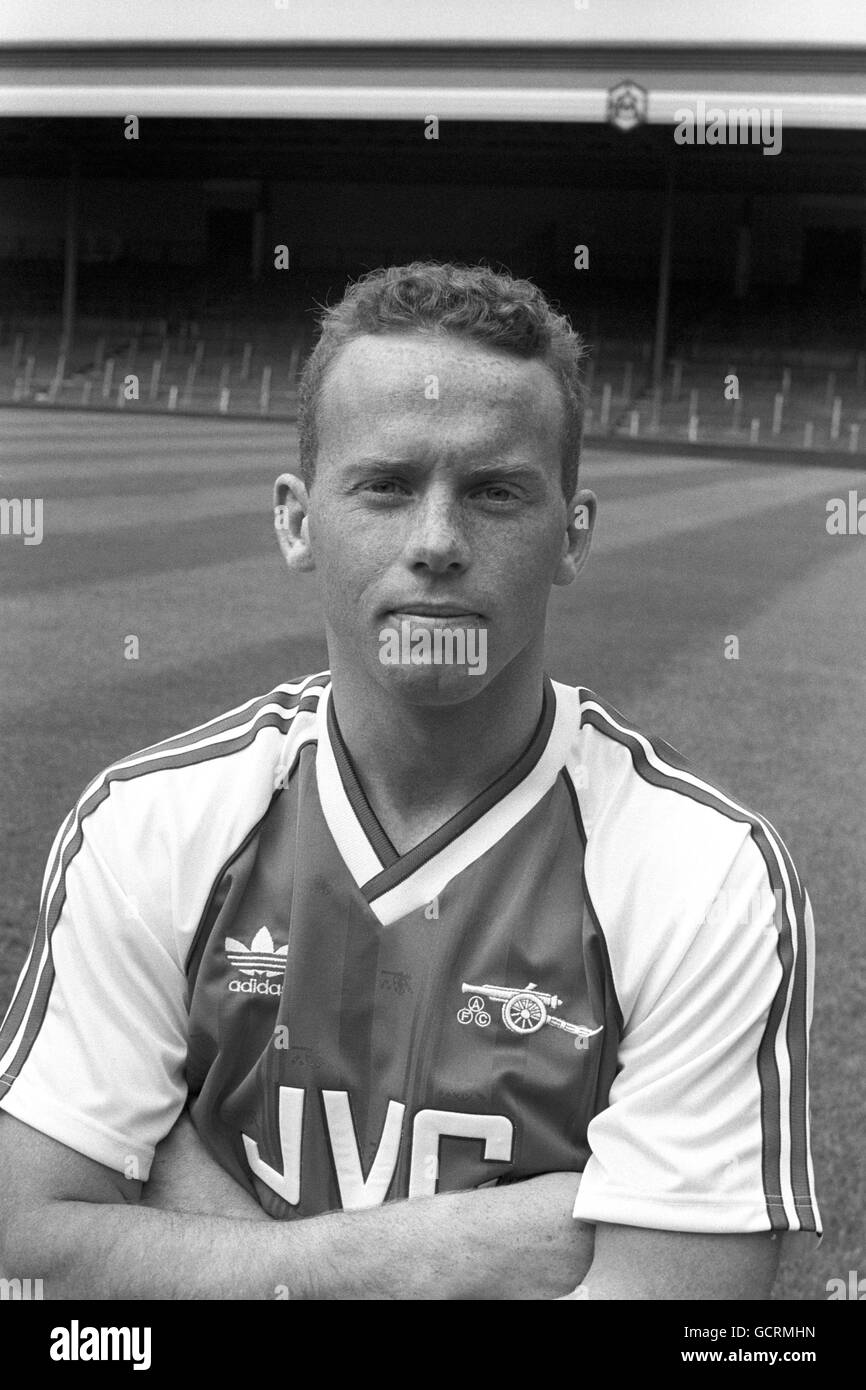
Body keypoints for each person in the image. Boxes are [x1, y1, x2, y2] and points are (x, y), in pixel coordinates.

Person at [0, 263, 820, 1300]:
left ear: (571, 532)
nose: (435, 543)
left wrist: (175, 1195)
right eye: (385, 485)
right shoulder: (151, 824)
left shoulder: (704, 876)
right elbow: (30, 1233)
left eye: (494, 491)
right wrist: (433, 1250)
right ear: (297, 521)